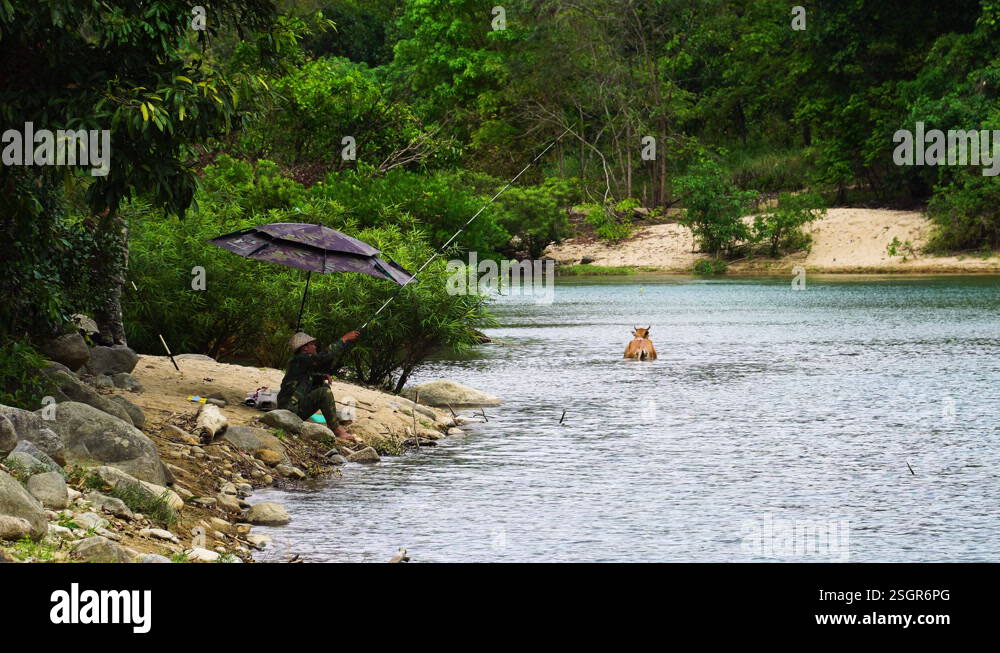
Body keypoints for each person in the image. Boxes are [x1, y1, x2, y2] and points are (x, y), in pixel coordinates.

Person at [277, 330, 361, 442]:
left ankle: (333, 424)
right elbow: (323, 357)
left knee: (324, 387)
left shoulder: (300, 361)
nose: (315, 347)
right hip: (289, 411)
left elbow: (305, 378)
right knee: (324, 393)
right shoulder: (301, 359)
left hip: (291, 408)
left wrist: (321, 377)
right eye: (312, 344)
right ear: (304, 348)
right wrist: (344, 339)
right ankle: (336, 430)